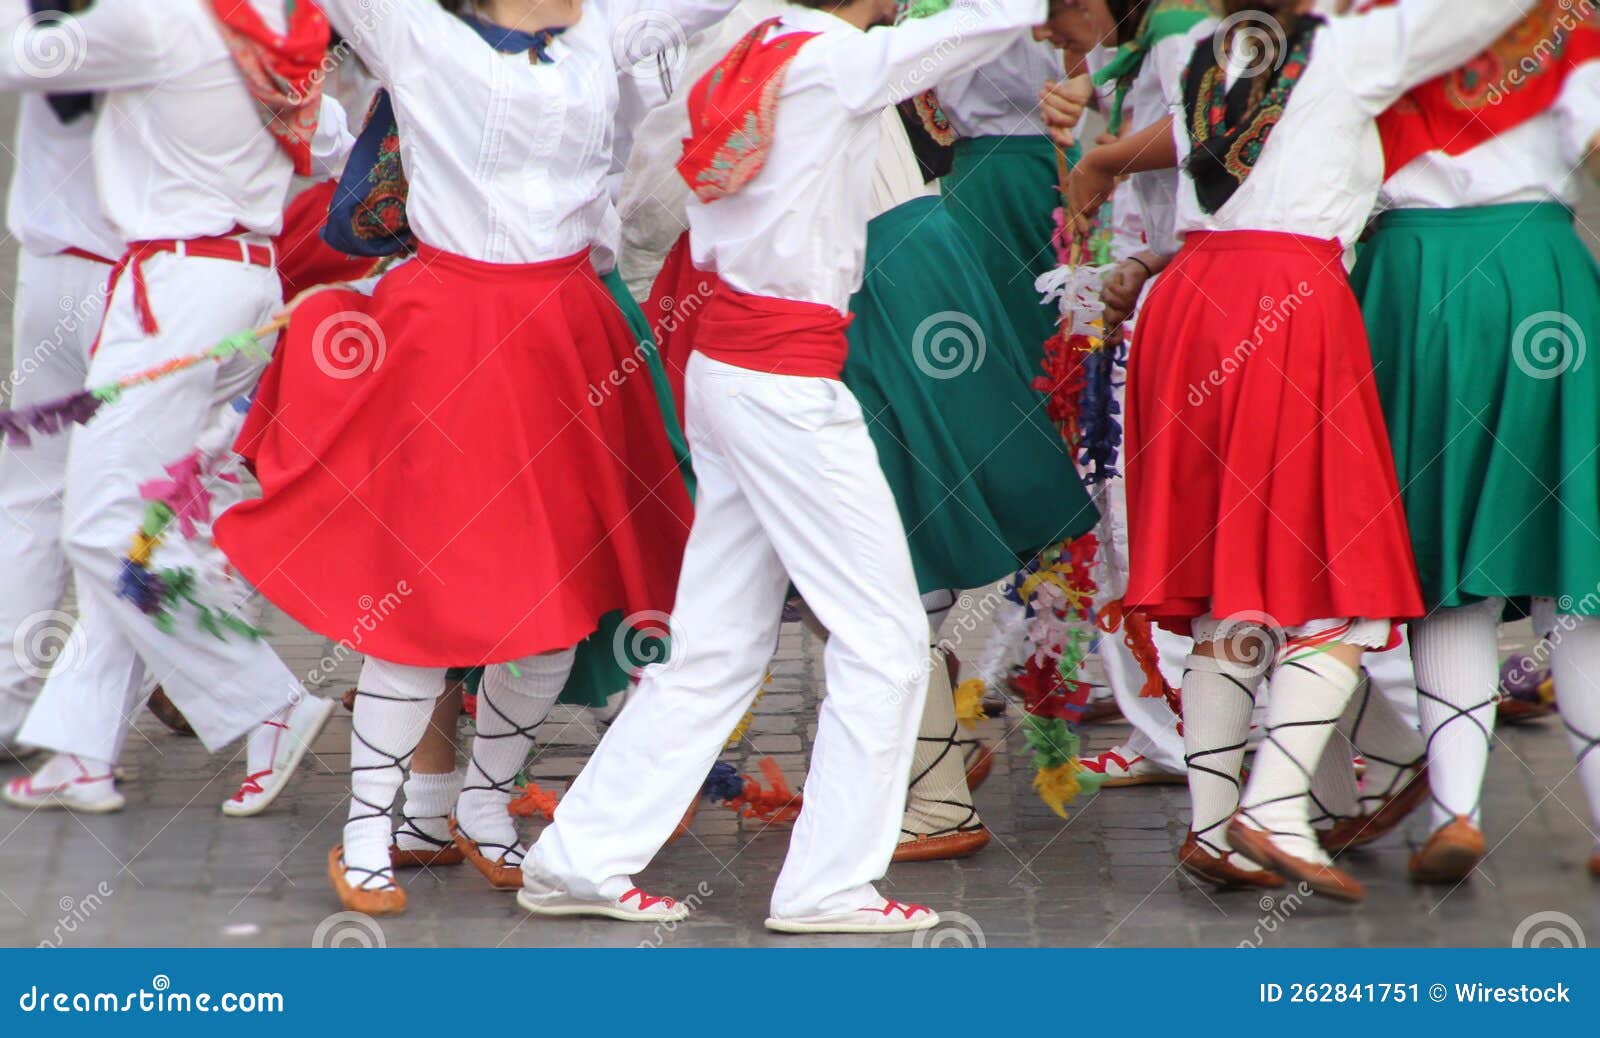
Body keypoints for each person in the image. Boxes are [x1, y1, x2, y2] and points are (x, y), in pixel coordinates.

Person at [519, 0, 1055, 934]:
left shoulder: (752, 52)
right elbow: (980, 24)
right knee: (885, 645)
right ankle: (827, 886)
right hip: (786, 379)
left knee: (717, 648)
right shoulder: (836, 59)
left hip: (733, 369)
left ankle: (578, 859)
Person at [215, 0, 723, 916]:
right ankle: (369, 828)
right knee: (422, 602)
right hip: (451, 334)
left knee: (558, 602)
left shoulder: (600, 32)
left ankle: (487, 808)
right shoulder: (416, 30)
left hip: (571, 332)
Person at [1068, 0, 1537, 901]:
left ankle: (1214, 828)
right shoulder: (1350, 47)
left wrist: (1101, 161)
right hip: (1285, 302)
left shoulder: (1215, 44)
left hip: (1192, 300)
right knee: (1345, 586)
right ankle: (1278, 808)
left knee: (1227, 594)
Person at [0, 0, 342, 816]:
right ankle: (81, 749)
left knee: (104, 526)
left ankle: (270, 702)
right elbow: (327, 139)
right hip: (241, 282)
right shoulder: (279, 27)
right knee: (141, 526)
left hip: (175, 286)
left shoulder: (156, 19)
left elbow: (20, 59)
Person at [1349, 0, 1600, 881]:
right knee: (1574, 561)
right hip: (1539, 275)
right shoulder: (1560, 25)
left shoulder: (1368, 24)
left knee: (1444, 555)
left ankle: (1457, 810)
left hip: (1410, 281)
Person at [0, 34, 122, 763]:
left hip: (50, 271)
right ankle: (88, 728)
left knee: (32, 497)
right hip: (147, 278)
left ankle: (10, 696)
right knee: (138, 508)